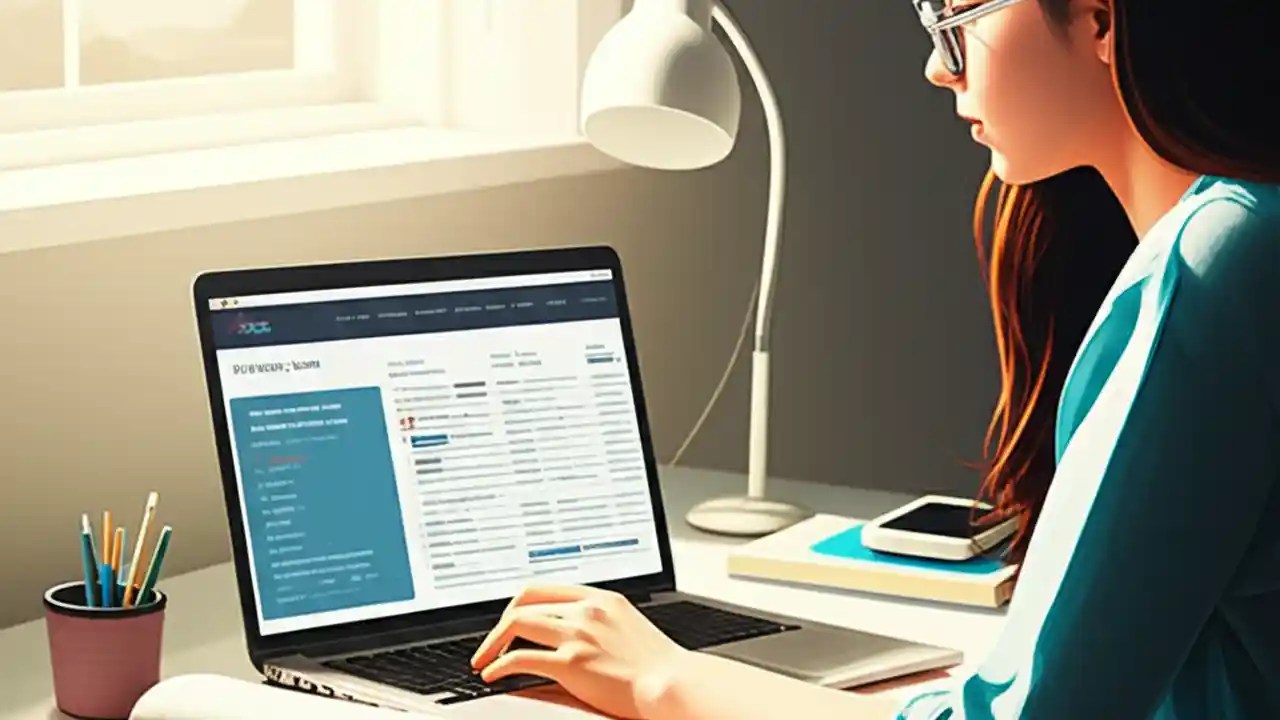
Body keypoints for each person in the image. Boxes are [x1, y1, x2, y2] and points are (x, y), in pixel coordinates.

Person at [469, 0, 1280, 717]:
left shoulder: (1214, 267)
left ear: (1101, 18)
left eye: (958, 18)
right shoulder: (1233, 237)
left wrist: (659, 678)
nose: (937, 65)